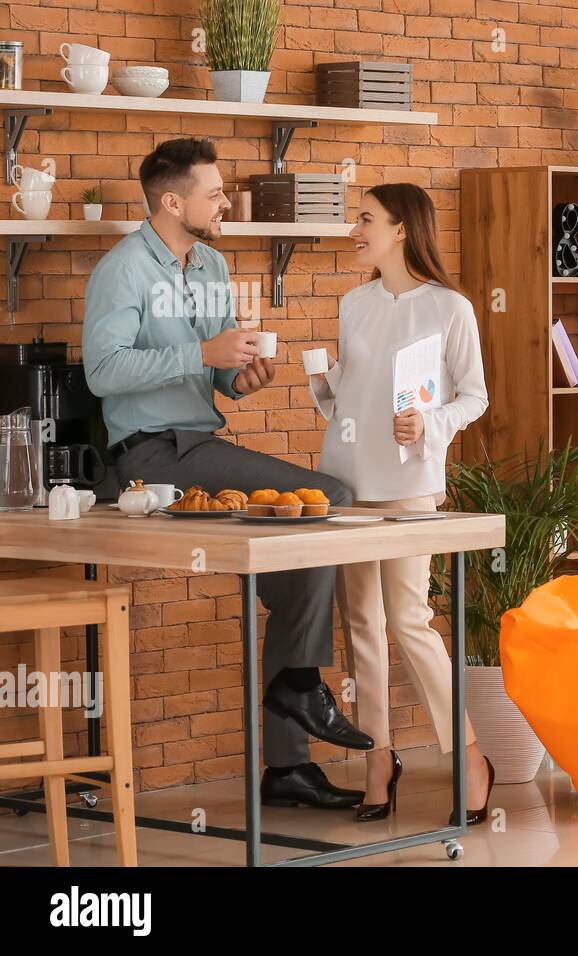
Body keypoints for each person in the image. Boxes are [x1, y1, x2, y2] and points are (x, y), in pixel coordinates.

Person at [82, 137, 373, 810]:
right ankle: (300, 685)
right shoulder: (122, 271)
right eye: (214, 193)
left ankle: (285, 765)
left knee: (300, 567)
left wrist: (241, 376)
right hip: (151, 457)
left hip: (199, 441)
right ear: (172, 201)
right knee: (327, 499)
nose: (226, 202)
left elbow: (215, 373)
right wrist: (199, 352)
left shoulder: (210, 264)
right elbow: (104, 373)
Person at [307, 184, 495, 823]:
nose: (354, 229)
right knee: (362, 628)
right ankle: (378, 760)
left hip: (411, 487)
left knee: (409, 622)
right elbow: (347, 405)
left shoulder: (450, 309)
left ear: (402, 230)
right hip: (348, 486)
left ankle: (468, 754)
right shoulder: (353, 304)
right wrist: (322, 387)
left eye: (364, 219)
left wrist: (431, 422)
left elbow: (474, 397)